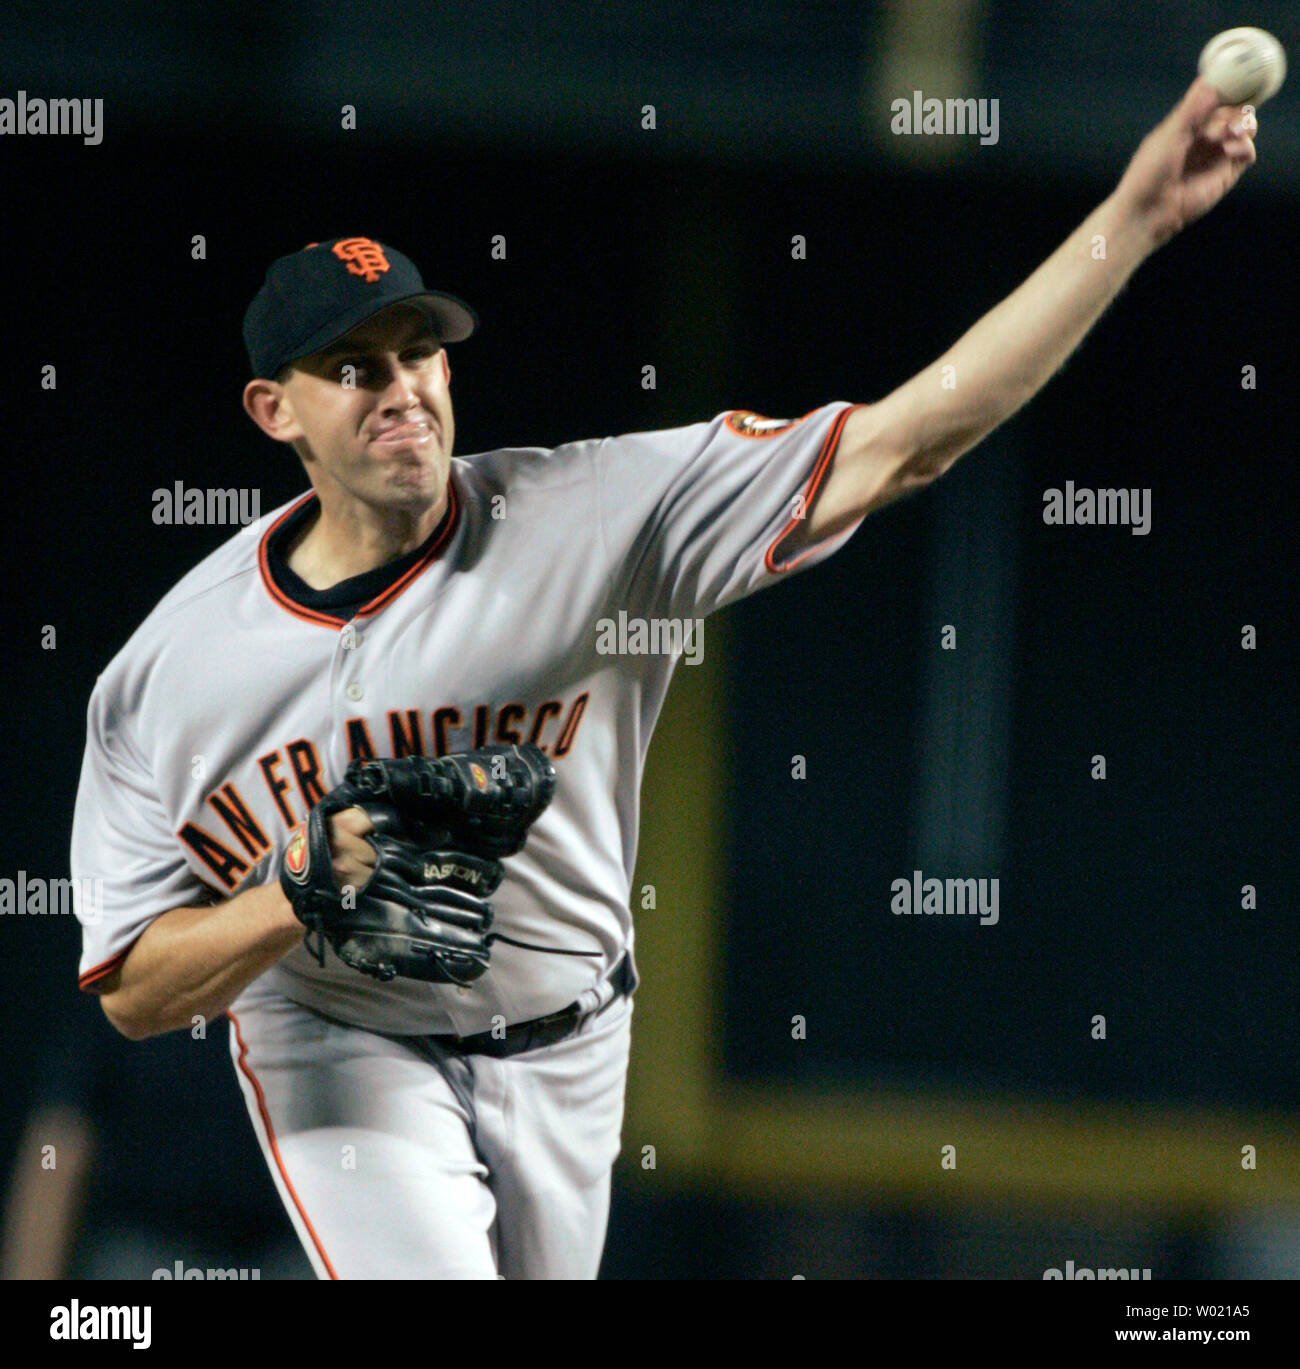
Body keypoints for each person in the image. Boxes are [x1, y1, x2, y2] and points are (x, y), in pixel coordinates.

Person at [70, 82, 1257, 1279]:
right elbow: (131, 989)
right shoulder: (168, 675)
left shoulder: (588, 515)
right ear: (276, 410)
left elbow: (908, 440)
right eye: (352, 367)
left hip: (568, 1035)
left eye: (418, 349)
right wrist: (294, 889)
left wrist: (1134, 218)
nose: (403, 388)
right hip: (336, 1036)